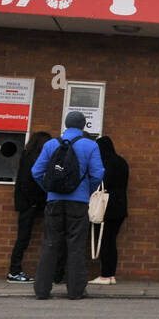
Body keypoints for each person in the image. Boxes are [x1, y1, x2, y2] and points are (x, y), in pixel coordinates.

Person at [31, 111, 104, 300]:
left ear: (65, 124)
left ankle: (41, 290)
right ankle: (75, 291)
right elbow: (97, 174)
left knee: (49, 244)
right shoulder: (90, 145)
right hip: (78, 203)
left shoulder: (50, 144)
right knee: (76, 246)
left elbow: (36, 171)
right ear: (83, 126)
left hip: (54, 202)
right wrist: (86, 192)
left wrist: (49, 190)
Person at [6, 131, 51, 283]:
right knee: (23, 238)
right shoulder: (32, 159)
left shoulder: (28, 156)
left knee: (24, 237)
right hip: (29, 203)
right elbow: (29, 183)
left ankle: (15, 270)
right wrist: (36, 201)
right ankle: (14, 271)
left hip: (27, 202)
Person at [90, 135, 129, 285]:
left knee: (105, 240)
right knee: (111, 241)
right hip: (120, 205)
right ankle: (111, 274)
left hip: (106, 205)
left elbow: (102, 183)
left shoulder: (105, 163)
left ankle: (105, 275)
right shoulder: (122, 162)